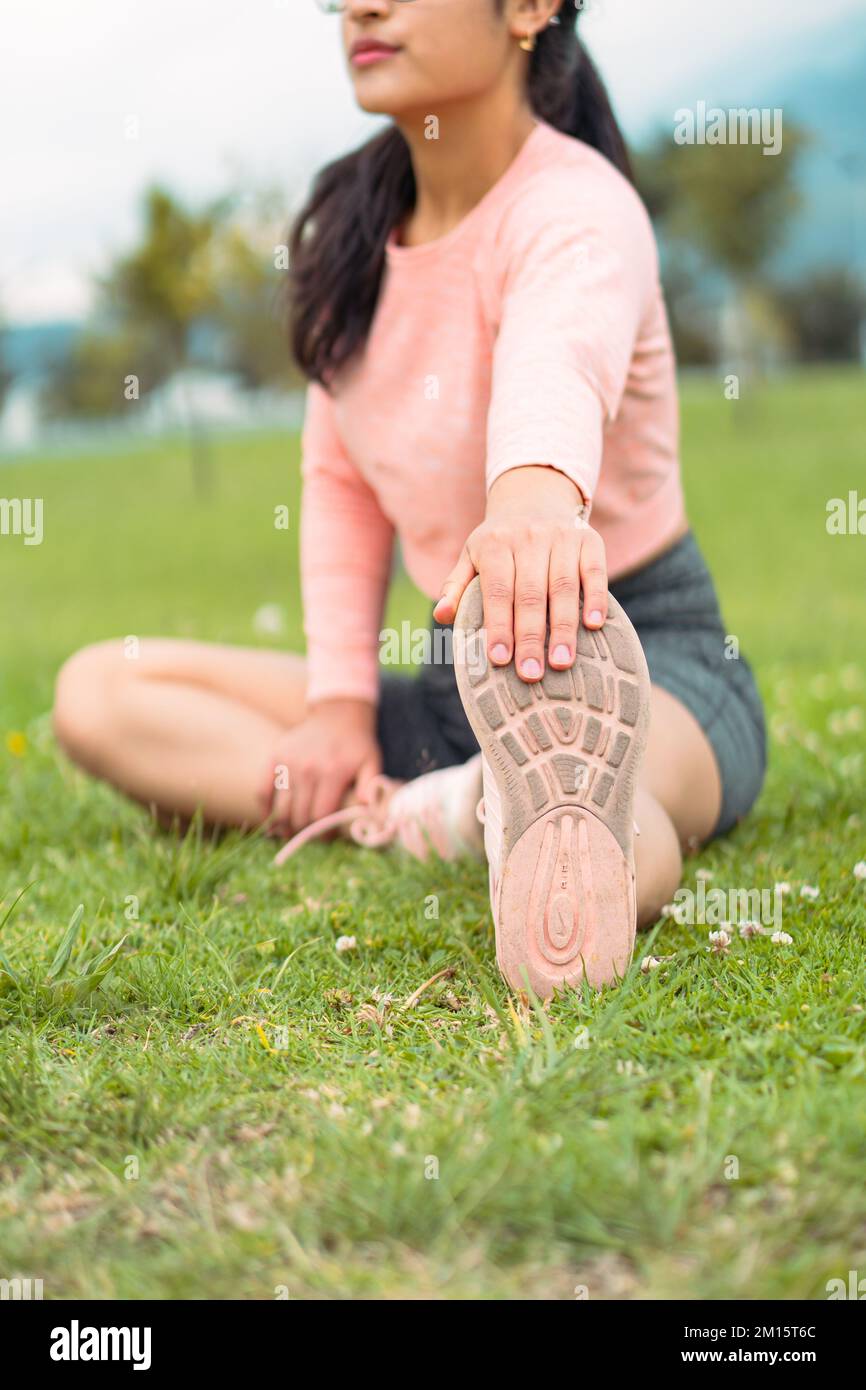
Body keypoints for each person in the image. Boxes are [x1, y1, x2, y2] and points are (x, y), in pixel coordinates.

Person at [53, 0, 766, 996]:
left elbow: (554, 359)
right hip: (451, 679)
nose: (360, 7)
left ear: (526, 9)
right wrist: (339, 709)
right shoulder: (348, 238)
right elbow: (339, 485)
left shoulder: (576, 207)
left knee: (615, 799)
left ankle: (533, 827)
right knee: (100, 689)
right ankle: (436, 804)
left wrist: (528, 505)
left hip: (641, 657)